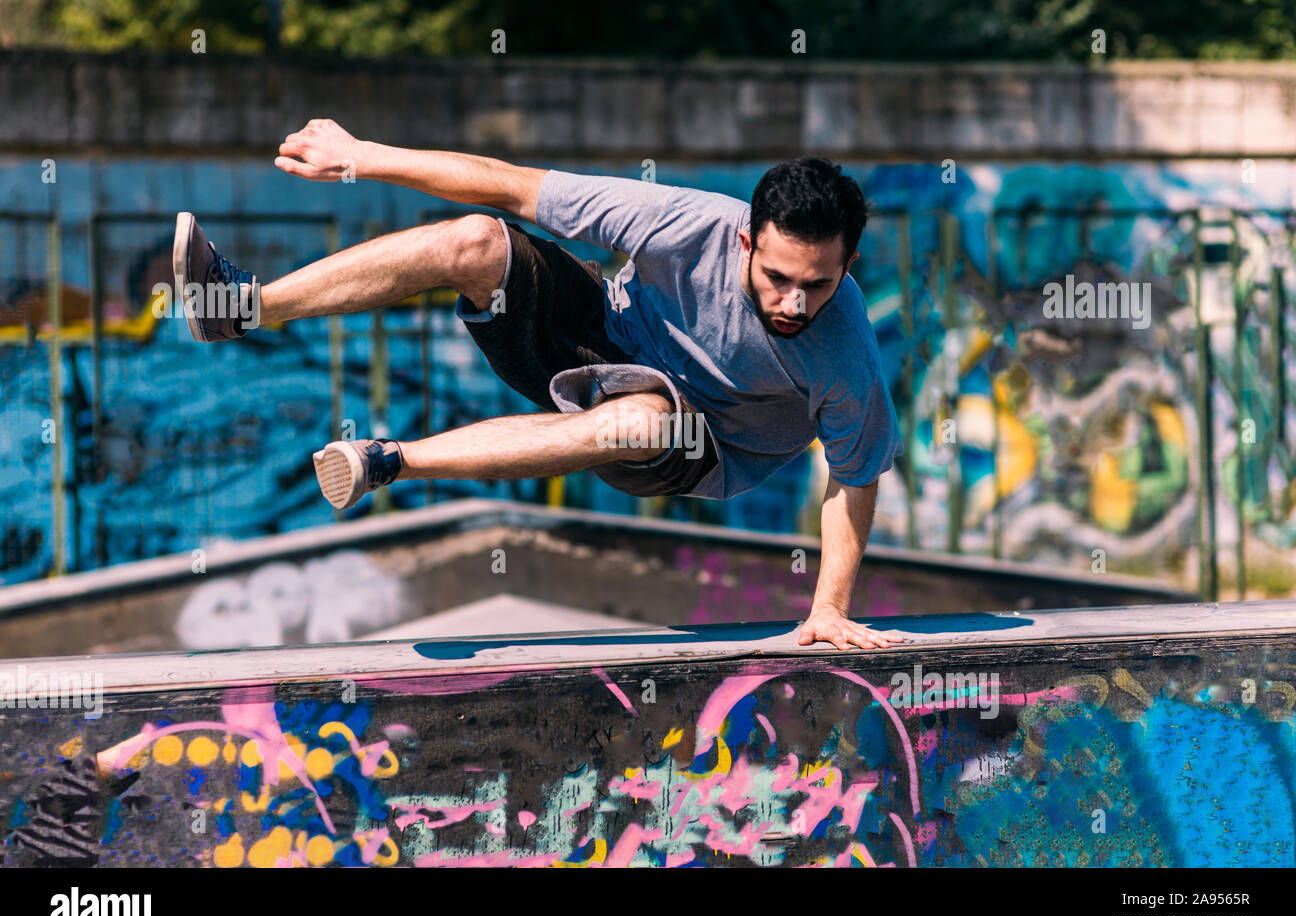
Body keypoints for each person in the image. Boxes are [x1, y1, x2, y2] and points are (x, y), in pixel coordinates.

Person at [172, 119, 906, 651]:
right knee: (477, 241)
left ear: (850, 263)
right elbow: (513, 186)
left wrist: (830, 607)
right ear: (746, 240)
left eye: (818, 284)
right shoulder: (686, 224)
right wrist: (364, 155)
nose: (794, 303)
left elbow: (854, 476)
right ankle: (239, 305)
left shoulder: (845, 353)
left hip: (697, 440)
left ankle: (389, 460)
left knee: (648, 421)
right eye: (778, 278)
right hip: (597, 334)